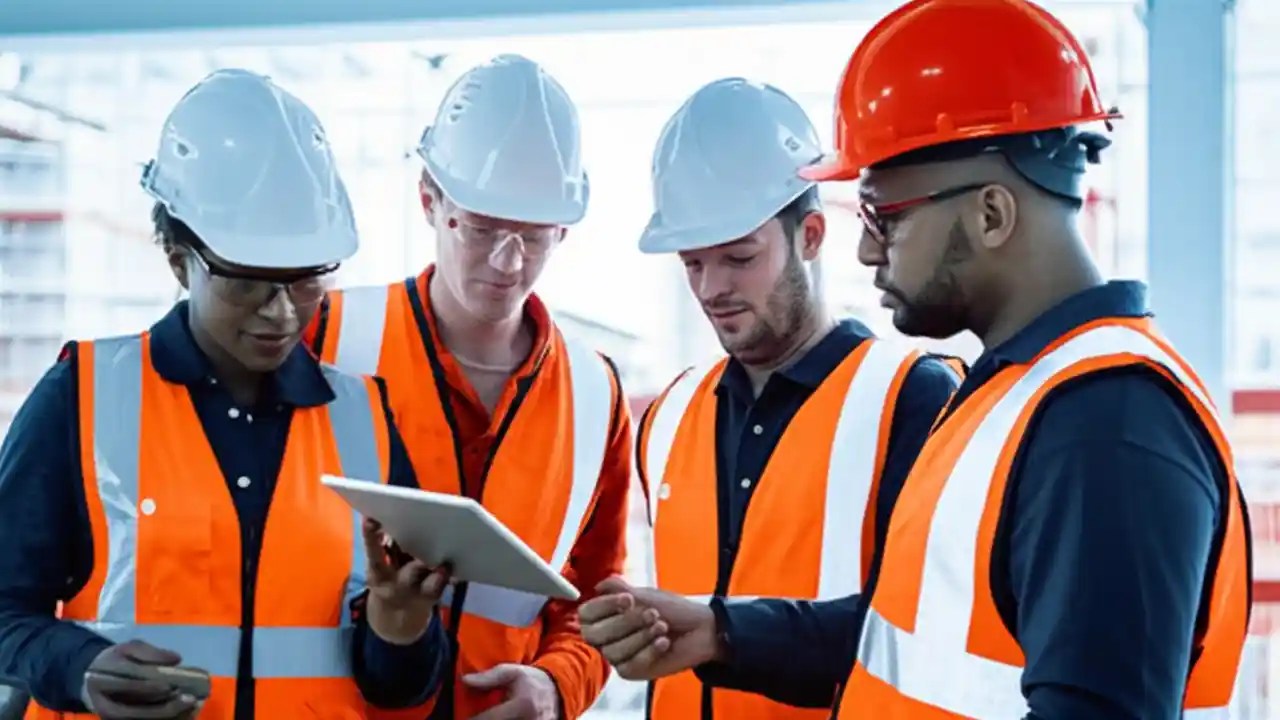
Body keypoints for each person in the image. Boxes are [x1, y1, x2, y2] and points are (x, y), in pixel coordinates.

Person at [578, 1, 1253, 718]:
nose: (867, 249)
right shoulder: (1009, 401)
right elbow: (905, 639)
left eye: (886, 218)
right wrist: (722, 633)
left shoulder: (1108, 424)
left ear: (991, 215)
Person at [0, 69, 452, 720]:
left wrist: (401, 630)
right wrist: (79, 666)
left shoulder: (366, 423)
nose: (282, 312)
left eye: (305, 281)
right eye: (247, 282)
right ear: (176, 258)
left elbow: (399, 688)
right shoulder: (82, 396)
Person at [304, 54, 633, 720]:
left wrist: (556, 686)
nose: (508, 262)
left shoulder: (594, 392)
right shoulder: (324, 338)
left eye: (534, 238)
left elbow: (595, 597)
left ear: (563, 229)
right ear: (430, 200)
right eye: (480, 230)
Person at [631, 77, 959, 720]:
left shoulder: (914, 400)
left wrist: (727, 635)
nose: (712, 288)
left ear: (811, 235)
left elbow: (931, 635)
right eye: (693, 263)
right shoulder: (670, 416)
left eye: (738, 258)